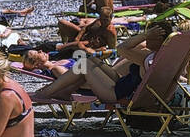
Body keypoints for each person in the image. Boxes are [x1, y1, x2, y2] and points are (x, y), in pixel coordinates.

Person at [32, 23, 173, 104]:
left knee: (85, 64)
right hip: (125, 85)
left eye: (150, 33)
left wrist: (145, 35)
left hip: (118, 94)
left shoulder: (148, 58)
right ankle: (65, 92)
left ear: (158, 38)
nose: (147, 35)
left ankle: (46, 93)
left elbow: (121, 48)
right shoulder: (162, 56)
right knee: (92, 60)